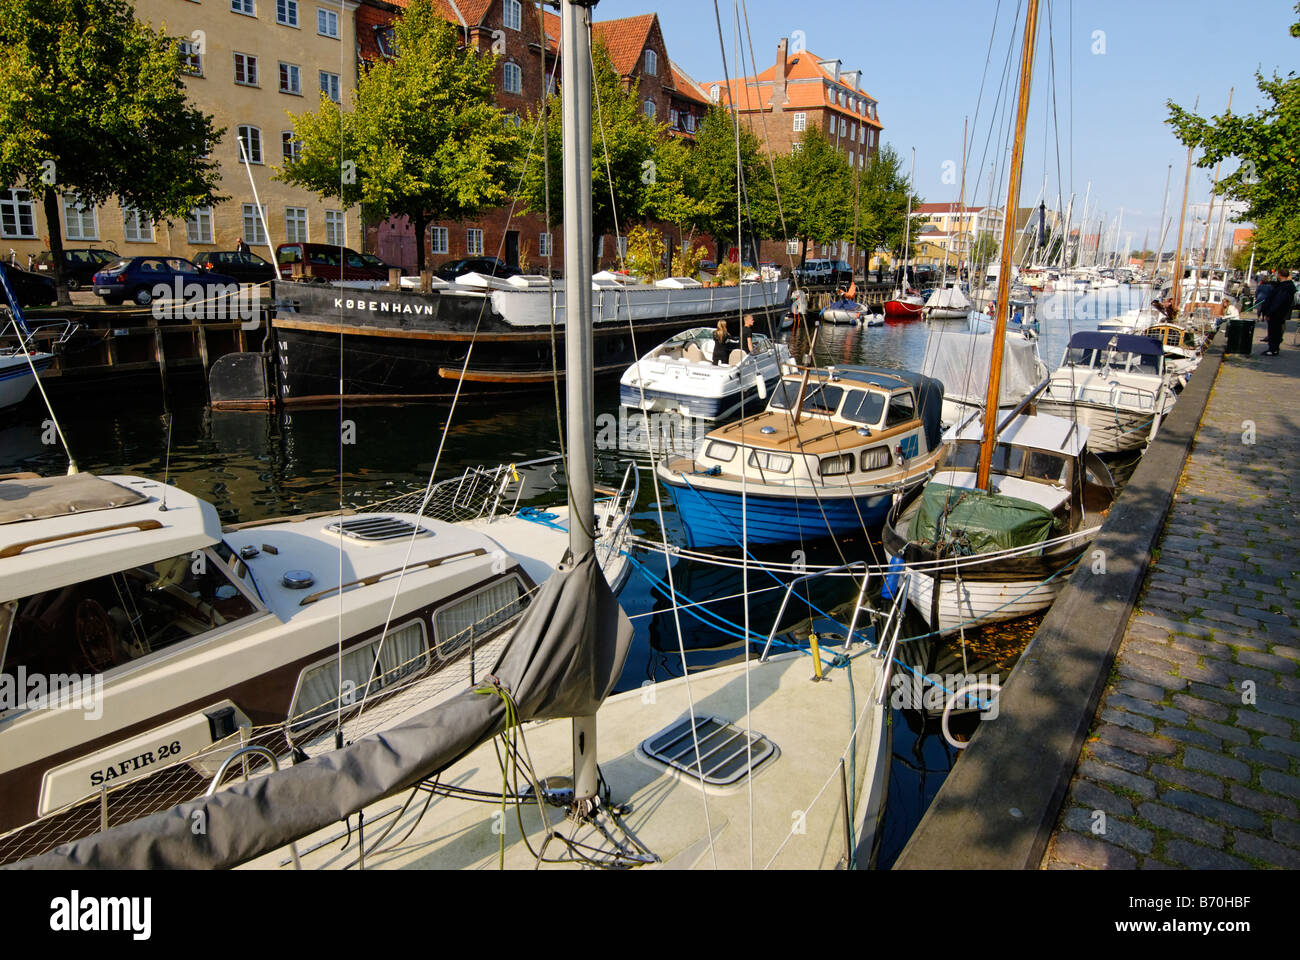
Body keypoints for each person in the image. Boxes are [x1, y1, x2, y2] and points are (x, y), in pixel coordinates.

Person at [1260, 268, 1296, 357]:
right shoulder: (1288, 287)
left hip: (1276, 313)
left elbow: (1277, 301)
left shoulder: (1283, 288)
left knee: (1273, 331)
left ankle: (1272, 349)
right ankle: (1274, 348)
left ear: (1279, 275)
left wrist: (1270, 312)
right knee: (1277, 331)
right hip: (1281, 313)